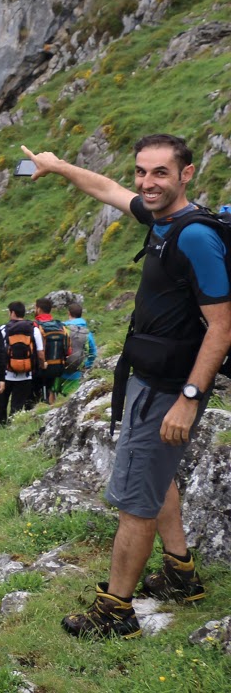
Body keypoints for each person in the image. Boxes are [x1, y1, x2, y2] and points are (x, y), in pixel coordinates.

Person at [21, 135, 231, 638]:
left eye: (160, 172)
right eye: (142, 171)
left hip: (168, 388)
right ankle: (180, 574)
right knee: (156, 476)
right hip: (150, 380)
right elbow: (107, 189)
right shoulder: (163, 219)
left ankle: (116, 612)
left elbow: (222, 328)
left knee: (135, 501)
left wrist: (188, 399)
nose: (147, 183)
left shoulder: (194, 237)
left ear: (186, 174)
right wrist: (58, 165)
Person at [0, 302, 43, 427]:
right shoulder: (34, 329)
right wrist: (41, 365)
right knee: (18, 404)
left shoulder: (4, 329)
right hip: (26, 374)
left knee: (1, 402)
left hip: (5, 374)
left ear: (13, 312)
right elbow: (40, 353)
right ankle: (13, 426)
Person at [57, 298, 98, 398]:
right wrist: (86, 364)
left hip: (59, 368)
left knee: (52, 397)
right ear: (81, 314)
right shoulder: (86, 332)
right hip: (75, 372)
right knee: (69, 398)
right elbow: (93, 353)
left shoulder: (62, 328)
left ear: (69, 313)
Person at [33, 296, 66, 405]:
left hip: (40, 368)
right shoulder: (60, 326)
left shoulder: (35, 325)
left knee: (36, 396)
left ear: (38, 309)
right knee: (50, 392)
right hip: (58, 367)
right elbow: (68, 349)